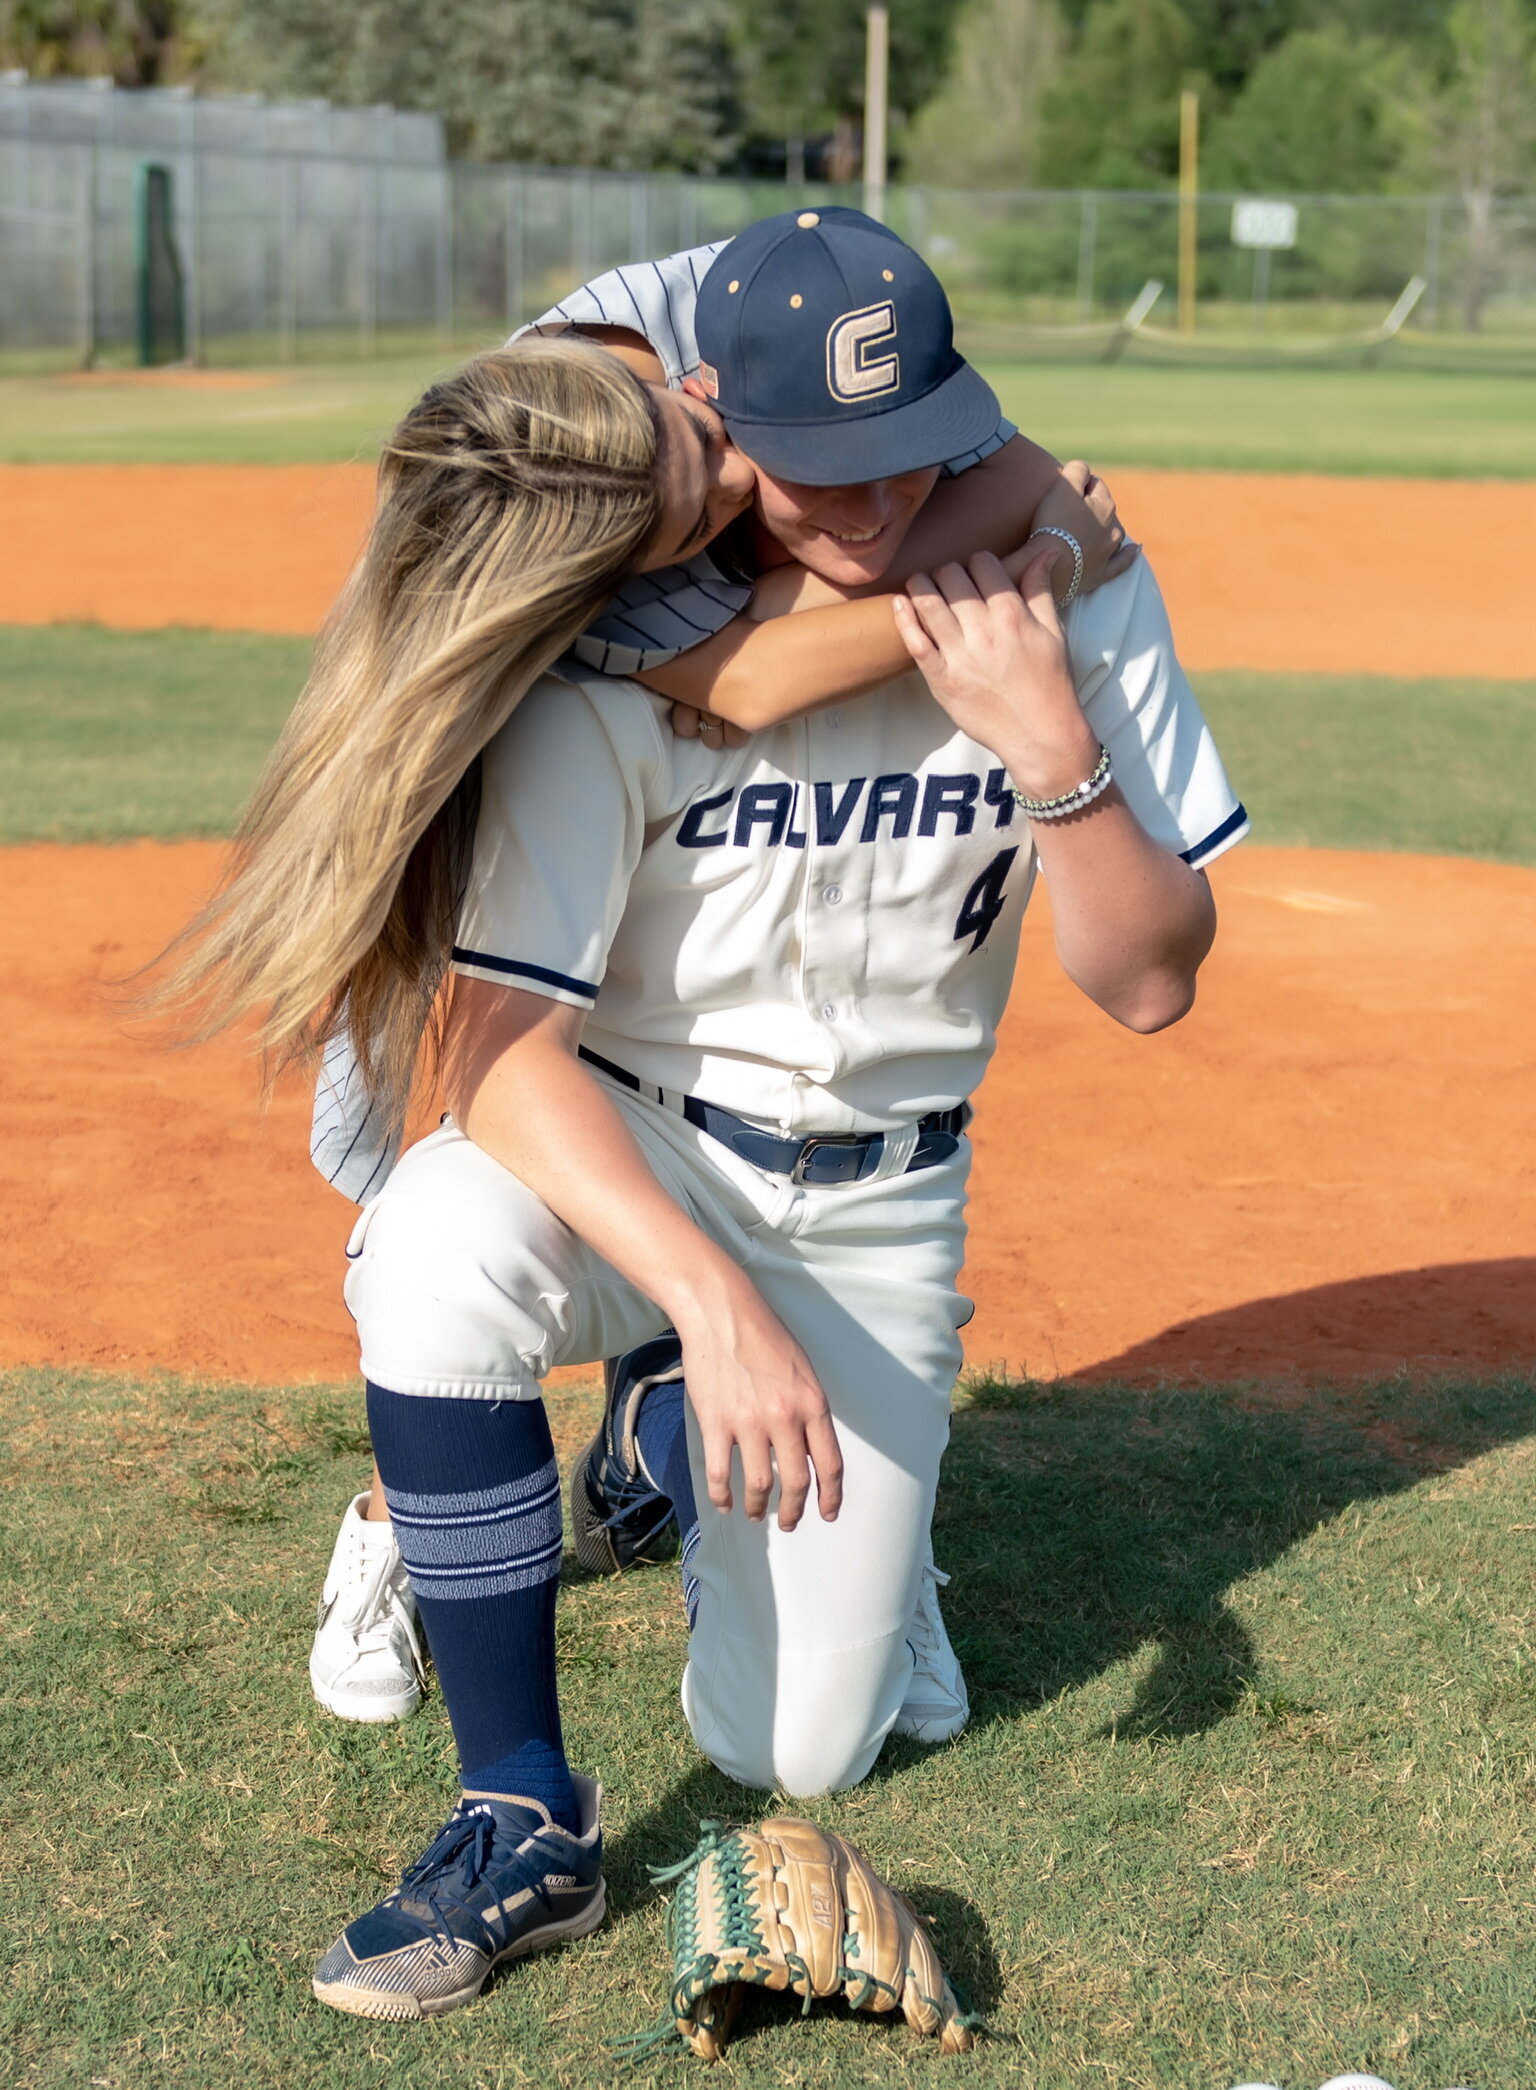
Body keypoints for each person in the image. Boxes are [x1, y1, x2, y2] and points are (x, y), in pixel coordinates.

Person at [167, 206, 1251, 2018]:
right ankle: (521, 1801)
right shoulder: (600, 629)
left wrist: (1049, 729)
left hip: (887, 1192)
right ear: (720, 425)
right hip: (638, 1135)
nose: (865, 501)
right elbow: (507, 1024)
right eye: (803, 470)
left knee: (804, 1754)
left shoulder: (1014, 557)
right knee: (426, 1245)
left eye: (903, 451)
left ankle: (675, 1459)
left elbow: (1150, 980)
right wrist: (719, 1298)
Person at [306, 208, 1138, 1730]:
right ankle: (395, 1528)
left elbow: (1012, 467)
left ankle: (674, 1423)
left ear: (683, 376)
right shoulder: (578, 551)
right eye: (704, 510)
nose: (737, 469)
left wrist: (1049, 528)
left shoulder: (729, 311)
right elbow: (745, 677)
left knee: (670, 1055)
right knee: (430, 1222)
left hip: (693, 902)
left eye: (711, 441)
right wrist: (1051, 556)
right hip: (491, 756)